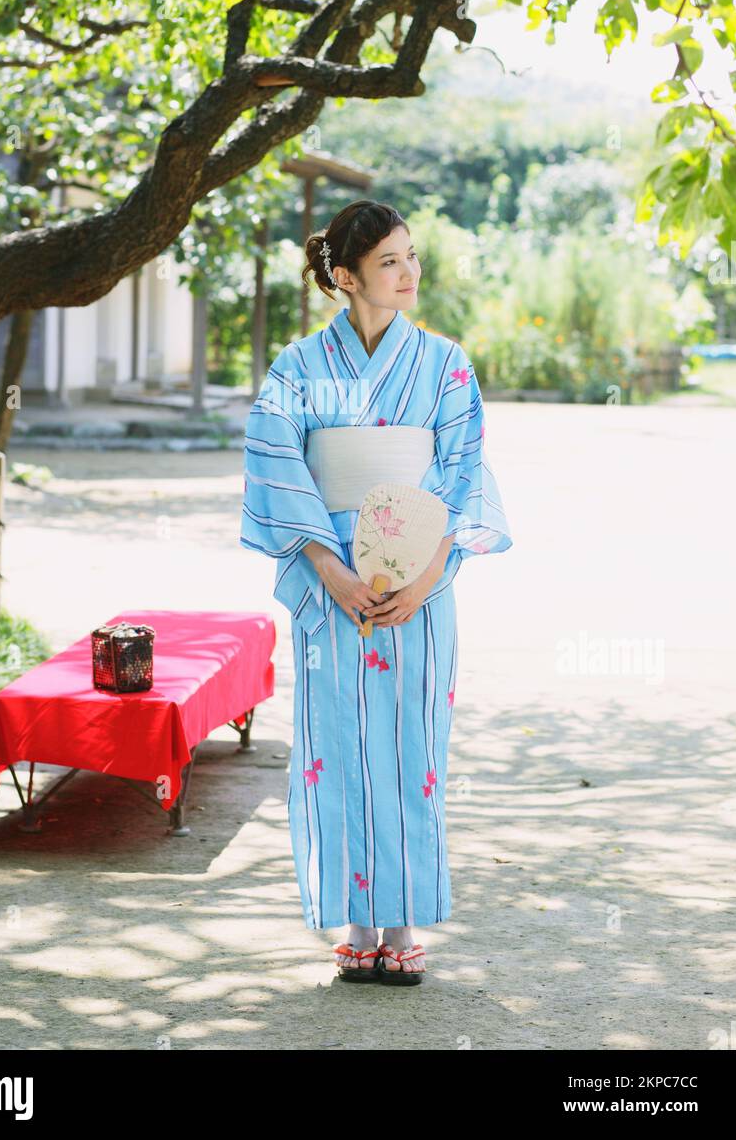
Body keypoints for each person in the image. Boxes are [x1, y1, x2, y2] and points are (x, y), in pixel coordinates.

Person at [239, 199, 512, 985]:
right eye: (389, 261)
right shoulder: (299, 367)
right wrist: (329, 568)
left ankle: (402, 925)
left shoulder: (445, 365)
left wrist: (426, 579)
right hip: (333, 585)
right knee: (335, 747)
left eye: (412, 257)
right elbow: (276, 463)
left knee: (410, 751)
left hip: (417, 586)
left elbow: (463, 476)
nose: (408, 273)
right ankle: (356, 923)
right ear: (346, 277)